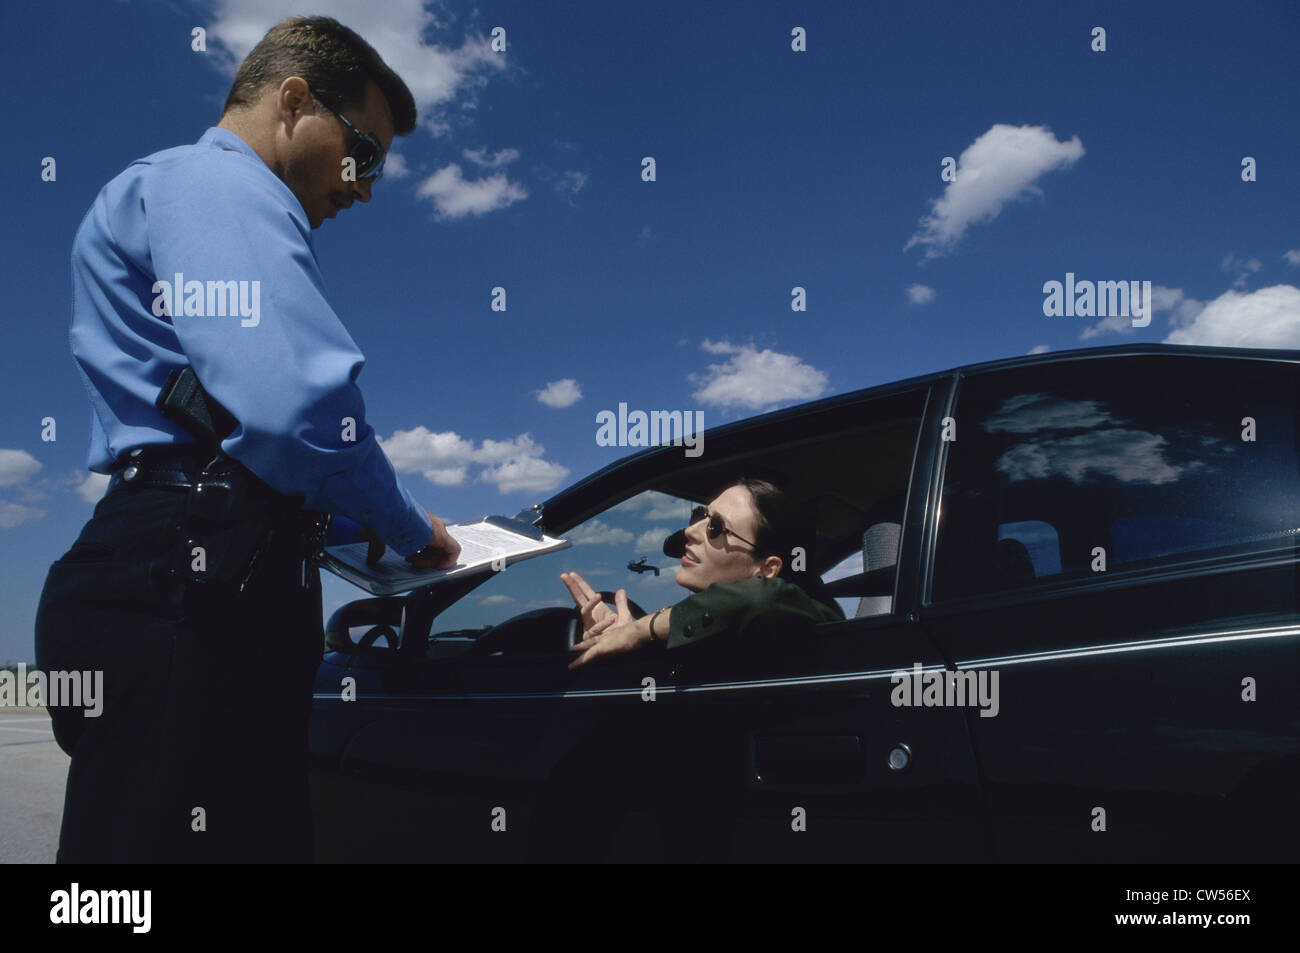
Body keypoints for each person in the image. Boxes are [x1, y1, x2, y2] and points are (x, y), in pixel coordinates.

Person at [34, 16, 459, 863]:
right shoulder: (216, 182)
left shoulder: (168, 193)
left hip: (181, 560)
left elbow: (240, 435)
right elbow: (296, 407)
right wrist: (412, 527)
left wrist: (354, 527)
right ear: (295, 100)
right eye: (363, 154)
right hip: (192, 576)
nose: (364, 188)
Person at [530, 478, 842, 861]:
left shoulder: (802, 617)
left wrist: (643, 630)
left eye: (715, 528)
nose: (689, 532)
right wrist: (627, 646)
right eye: (699, 516)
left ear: (769, 567)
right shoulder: (720, 642)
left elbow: (765, 599)